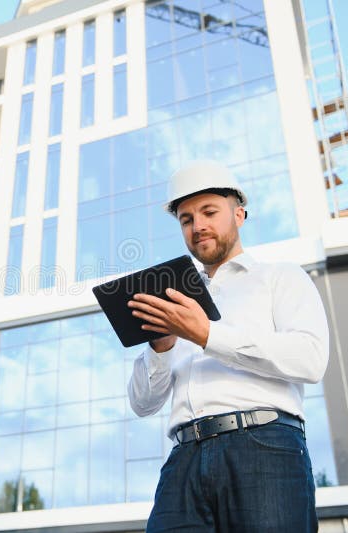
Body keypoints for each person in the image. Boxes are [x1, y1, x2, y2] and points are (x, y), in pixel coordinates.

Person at [126, 160, 329, 532]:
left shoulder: (280, 277)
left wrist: (206, 334)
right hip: (183, 461)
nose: (197, 226)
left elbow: (311, 360)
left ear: (239, 214)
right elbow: (142, 404)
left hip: (264, 448)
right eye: (186, 219)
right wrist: (161, 345)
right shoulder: (174, 300)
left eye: (209, 212)